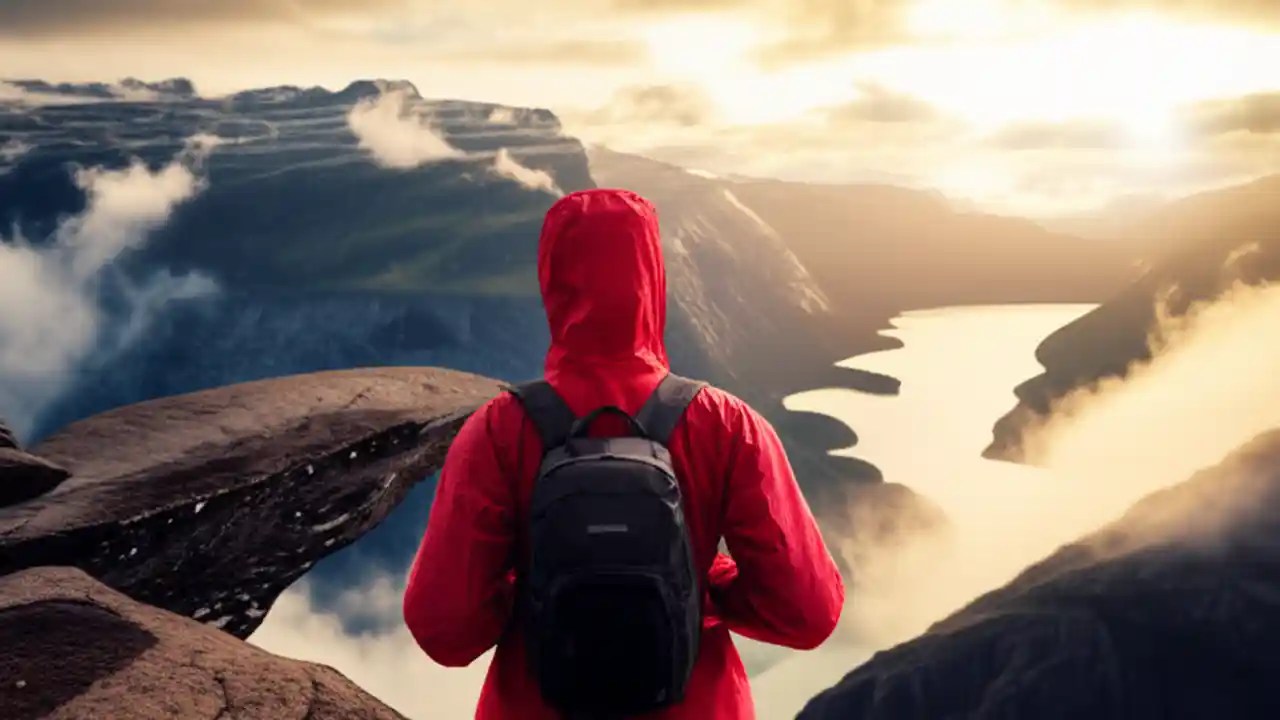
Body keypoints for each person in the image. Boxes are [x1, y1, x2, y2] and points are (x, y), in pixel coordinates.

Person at [403, 188, 844, 719]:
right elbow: (808, 612)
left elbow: (443, 628)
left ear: (552, 279)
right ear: (654, 278)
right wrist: (696, 580)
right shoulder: (728, 425)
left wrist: (543, 584)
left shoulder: (497, 431)